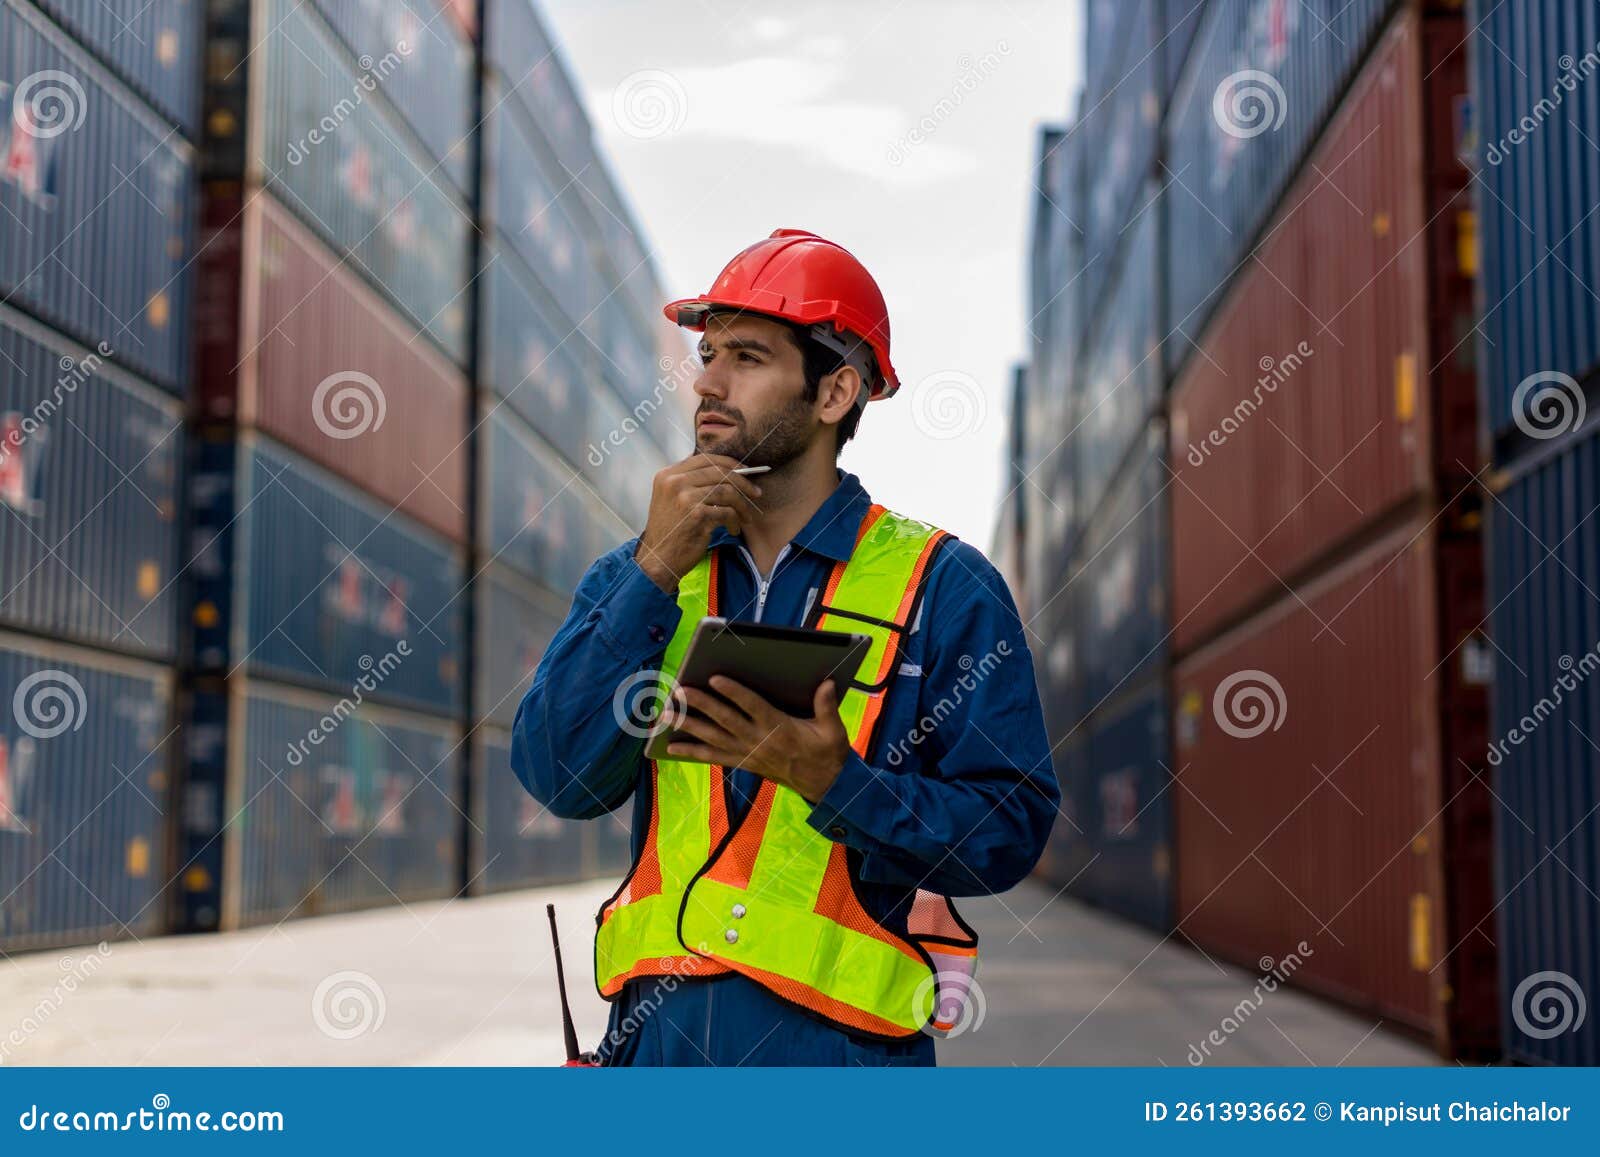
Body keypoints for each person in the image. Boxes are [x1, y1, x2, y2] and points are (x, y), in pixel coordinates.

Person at [511, 228, 1059, 1066]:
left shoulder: (941, 586)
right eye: (708, 352)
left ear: (836, 391)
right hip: (654, 1053)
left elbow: (1008, 830)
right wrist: (654, 570)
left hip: (839, 1064)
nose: (709, 380)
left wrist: (836, 782)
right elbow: (560, 776)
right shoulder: (643, 573)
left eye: (749, 356)